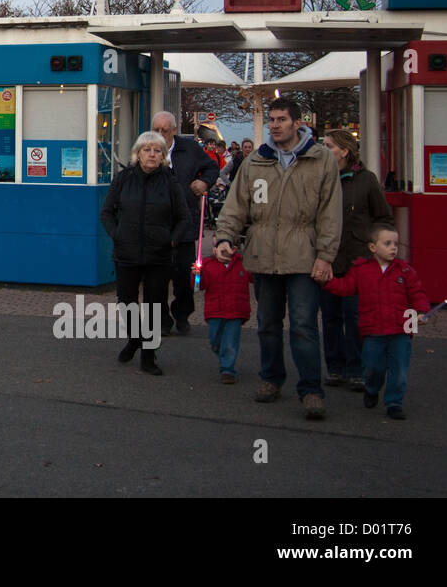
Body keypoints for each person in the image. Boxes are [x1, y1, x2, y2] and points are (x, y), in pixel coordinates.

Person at [214, 97, 342, 420]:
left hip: (303, 256)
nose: (275, 125)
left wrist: (326, 256)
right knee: (268, 325)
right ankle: (271, 378)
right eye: (271, 119)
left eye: (281, 119)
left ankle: (311, 390)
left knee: (303, 326)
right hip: (263, 254)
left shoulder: (321, 160)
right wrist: (225, 237)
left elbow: (330, 213)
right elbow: (236, 205)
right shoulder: (256, 161)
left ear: (297, 123)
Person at [100, 130, 188, 375]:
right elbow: (106, 213)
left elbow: (184, 218)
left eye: (157, 150)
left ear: (163, 156)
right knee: (126, 302)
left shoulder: (170, 182)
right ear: (137, 154)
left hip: (158, 255)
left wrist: (171, 240)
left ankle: (149, 356)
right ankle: (135, 339)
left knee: (154, 306)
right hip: (126, 253)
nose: (152, 154)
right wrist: (117, 234)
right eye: (147, 150)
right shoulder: (123, 179)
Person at [322, 226, 431, 420]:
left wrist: (422, 311)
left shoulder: (405, 270)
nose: (393, 247)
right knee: (372, 367)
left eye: (395, 243)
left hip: (401, 330)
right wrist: (326, 282)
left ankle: (394, 403)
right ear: (373, 247)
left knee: (399, 370)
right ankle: (371, 389)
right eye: (387, 243)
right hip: (373, 330)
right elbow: (345, 287)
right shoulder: (361, 270)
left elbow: (417, 293)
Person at [320, 129, 393, 390]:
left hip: (357, 259)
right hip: (327, 259)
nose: (324, 150)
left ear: (344, 150)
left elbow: (383, 216)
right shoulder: (321, 177)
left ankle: (356, 368)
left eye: (329, 146)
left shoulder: (366, 180)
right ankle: (335, 367)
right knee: (330, 317)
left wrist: (376, 246)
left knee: (354, 317)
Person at [151, 111, 219, 335]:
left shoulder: (189, 149)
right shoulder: (148, 148)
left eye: (164, 130)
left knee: (183, 276)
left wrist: (204, 182)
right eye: (156, 130)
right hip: (156, 225)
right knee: (157, 278)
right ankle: (162, 320)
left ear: (174, 130)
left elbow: (212, 167)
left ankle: (182, 313)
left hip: (185, 223)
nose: (160, 134)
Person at [201, 251, 252, 384]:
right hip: (215, 310)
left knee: (230, 341)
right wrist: (197, 275)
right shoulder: (208, 264)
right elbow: (199, 285)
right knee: (215, 339)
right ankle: (224, 356)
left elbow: (255, 277)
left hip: (236, 310)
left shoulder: (243, 263)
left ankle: (227, 369)